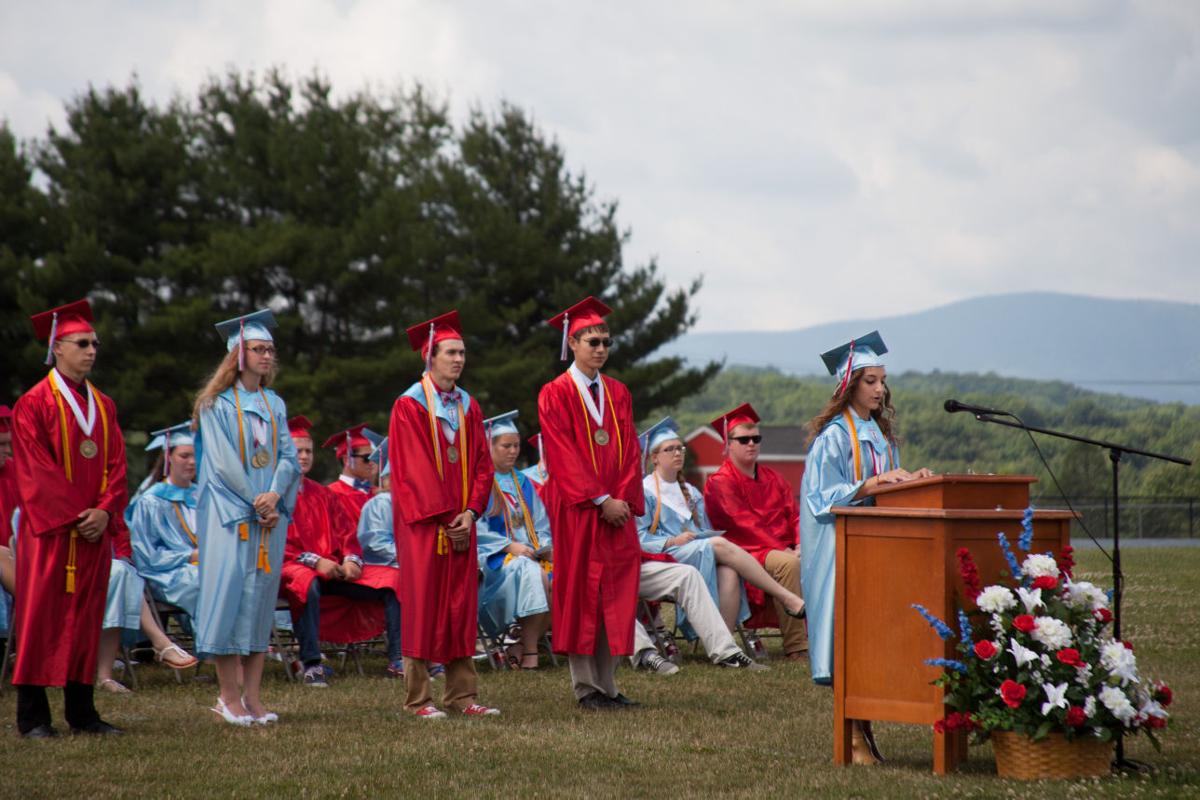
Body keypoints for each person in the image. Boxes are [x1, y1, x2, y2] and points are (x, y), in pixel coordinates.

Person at [799, 331, 932, 764]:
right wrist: (872, 483)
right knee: (848, 642)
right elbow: (820, 498)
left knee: (869, 641)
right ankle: (853, 737)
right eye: (870, 381)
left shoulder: (878, 433)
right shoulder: (834, 438)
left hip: (871, 553)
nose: (879, 389)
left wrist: (914, 482)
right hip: (839, 553)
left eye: (881, 381)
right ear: (849, 385)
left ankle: (864, 732)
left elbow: (887, 491)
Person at [10, 299, 128, 737]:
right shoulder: (34, 404)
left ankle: (83, 713)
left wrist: (105, 509)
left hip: (93, 532)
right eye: (82, 343)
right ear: (58, 347)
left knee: (85, 619)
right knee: (41, 618)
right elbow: (34, 471)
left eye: (95, 343)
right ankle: (32, 718)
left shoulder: (104, 404)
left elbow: (117, 463)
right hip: (52, 534)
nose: (92, 350)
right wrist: (78, 516)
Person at [192, 309, 301, 727]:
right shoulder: (215, 405)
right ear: (237, 354)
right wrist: (257, 500)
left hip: (269, 517)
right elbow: (220, 464)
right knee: (230, 602)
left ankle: (254, 697)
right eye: (258, 349)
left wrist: (274, 495)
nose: (267, 356)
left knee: (259, 606)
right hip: (232, 517)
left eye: (270, 350)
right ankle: (227, 696)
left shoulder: (274, 403)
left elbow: (288, 456)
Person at [388, 310, 498, 719]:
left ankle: (462, 697)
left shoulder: (468, 405)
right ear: (429, 357)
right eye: (450, 352)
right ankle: (419, 699)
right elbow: (413, 468)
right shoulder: (409, 406)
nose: (458, 359)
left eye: (462, 352)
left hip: (460, 523)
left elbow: (483, 465)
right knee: (423, 606)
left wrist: (470, 511)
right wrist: (444, 517)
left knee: (459, 606)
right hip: (424, 525)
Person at [538, 297, 643, 711]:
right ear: (573, 343)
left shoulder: (618, 391)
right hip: (581, 512)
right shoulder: (555, 393)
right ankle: (586, 688)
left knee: (614, 598)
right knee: (583, 596)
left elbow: (630, 451)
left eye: (606, 342)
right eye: (592, 341)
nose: (600, 349)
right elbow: (563, 454)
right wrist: (601, 499)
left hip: (616, 514)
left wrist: (620, 500)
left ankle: (610, 686)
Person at [637, 416, 805, 636]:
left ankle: (722, 642)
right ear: (654, 457)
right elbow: (638, 538)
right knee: (720, 543)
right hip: (665, 555)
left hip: (700, 552)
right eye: (670, 449)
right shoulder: (644, 491)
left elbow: (795, 514)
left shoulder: (691, 492)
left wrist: (799, 544)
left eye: (680, 448)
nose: (677, 453)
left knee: (728, 570)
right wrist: (671, 540)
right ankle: (788, 600)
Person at [282, 415, 404, 685]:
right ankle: (311, 663)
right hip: (290, 569)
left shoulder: (322, 494)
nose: (303, 456)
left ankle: (399, 658)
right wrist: (315, 562)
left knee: (392, 580)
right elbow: (278, 545)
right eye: (296, 451)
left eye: (308, 451)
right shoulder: (274, 494)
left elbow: (348, 535)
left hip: (333, 570)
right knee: (306, 581)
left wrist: (352, 562)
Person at [703, 404, 809, 662]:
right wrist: (784, 550)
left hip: (781, 548)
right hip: (746, 550)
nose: (751, 443)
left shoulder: (774, 478)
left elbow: (795, 515)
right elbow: (743, 524)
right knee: (788, 565)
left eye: (756, 438)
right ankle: (797, 646)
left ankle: (831, 636)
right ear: (728, 444)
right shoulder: (720, 482)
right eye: (743, 439)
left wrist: (800, 543)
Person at [477, 410, 553, 670]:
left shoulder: (523, 481)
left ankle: (520, 644)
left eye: (516, 445)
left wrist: (544, 546)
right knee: (537, 576)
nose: (513, 451)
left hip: (530, 553)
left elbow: (540, 522)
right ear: (490, 447)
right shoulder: (480, 482)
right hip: (495, 560)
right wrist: (509, 546)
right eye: (506, 446)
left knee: (563, 577)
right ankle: (531, 649)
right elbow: (476, 528)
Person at [95, 515, 198, 693]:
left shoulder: (106, 507)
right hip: (71, 570)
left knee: (123, 573)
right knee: (122, 573)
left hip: (109, 576)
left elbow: (121, 544)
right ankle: (160, 642)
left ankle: (106, 676)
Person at [633, 558, 768, 674]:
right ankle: (646, 655)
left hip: (630, 563)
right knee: (612, 594)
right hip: (612, 573)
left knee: (688, 574)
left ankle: (727, 653)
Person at [128, 423, 202, 620]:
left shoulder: (203, 496)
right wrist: (190, 556)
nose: (192, 462)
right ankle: (210, 646)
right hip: (165, 574)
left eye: (196, 455)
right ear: (169, 457)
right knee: (205, 583)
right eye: (184, 456)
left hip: (200, 567)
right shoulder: (151, 500)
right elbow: (145, 555)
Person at [322, 424, 382, 523]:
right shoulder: (330, 495)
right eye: (367, 458)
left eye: (374, 457)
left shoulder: (377, 493)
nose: (372, 462)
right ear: (347, 460)